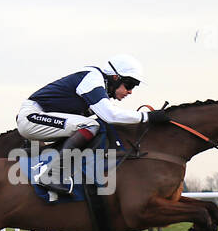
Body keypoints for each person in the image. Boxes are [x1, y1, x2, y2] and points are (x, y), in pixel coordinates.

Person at [17, 55, 169, 194]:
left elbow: (110, 115)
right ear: (115, 77)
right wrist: (147, 117)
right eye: (129, 85)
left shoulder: (98, 85)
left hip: (42, 116)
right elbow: (110, 115)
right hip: (31, 116)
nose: (130, 91)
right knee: (90, 126)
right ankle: (52, 174)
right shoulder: (93, 79)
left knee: (93, 125)